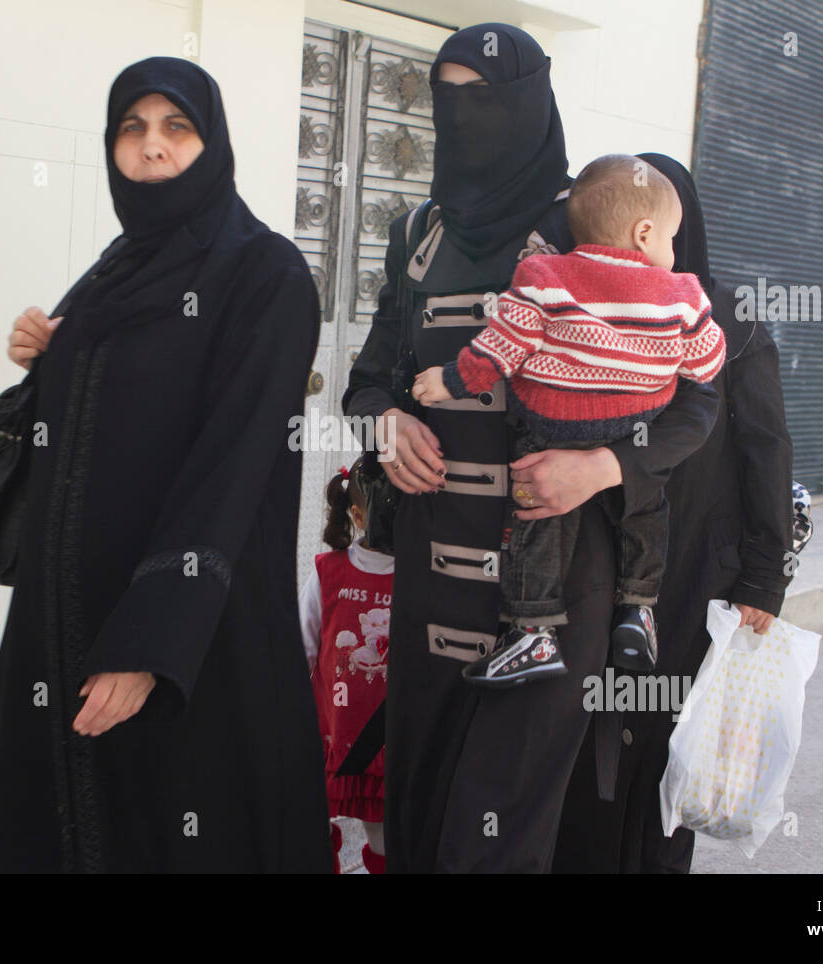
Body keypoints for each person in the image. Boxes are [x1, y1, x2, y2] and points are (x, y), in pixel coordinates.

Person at [343, 24, 721, 873]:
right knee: (420, 810)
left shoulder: (590, 225)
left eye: (482, 97)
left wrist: (604, 466)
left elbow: (699, 403)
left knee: (506, 826)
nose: (460, 117)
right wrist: (384, 424)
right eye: (445, 98)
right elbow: (371, 378)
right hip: (432, 579)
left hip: (557, 586)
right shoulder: (419, 237)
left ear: (529, 102)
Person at [0, 57, 330, 873]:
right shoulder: (113, 270)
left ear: (213, 141)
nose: (151, 149)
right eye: (133, 129)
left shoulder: (265, 277)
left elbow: (231, 469)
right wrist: (43, 360)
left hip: (195, 635)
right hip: (62, 623)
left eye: (176, 127)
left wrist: (150, 645)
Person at [551, 152, 794, 873]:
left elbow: (768, 457)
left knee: (663, 745)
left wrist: (763, 580)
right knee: (587, 735)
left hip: (693, 572)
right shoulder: (592, 316)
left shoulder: (733, 331)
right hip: (600, 565)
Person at [413, 155, 726, 685]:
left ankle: (533, 634)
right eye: (671, 238)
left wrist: (450, 380)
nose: (674, 251)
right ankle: (640, 608)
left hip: (552, 425)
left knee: (537, 517)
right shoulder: (682, 293)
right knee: (647, 507)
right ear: (644, 233)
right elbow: (706, 363)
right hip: (635, 426)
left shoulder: (542, 276)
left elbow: (501, 351)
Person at [299, 458, 393, 874]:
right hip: (328, 737)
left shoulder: (420, 575)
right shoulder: (327, 572)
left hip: (382, 745)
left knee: (386, 844)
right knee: (312, 834)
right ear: (358, 516)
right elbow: (299, 647)